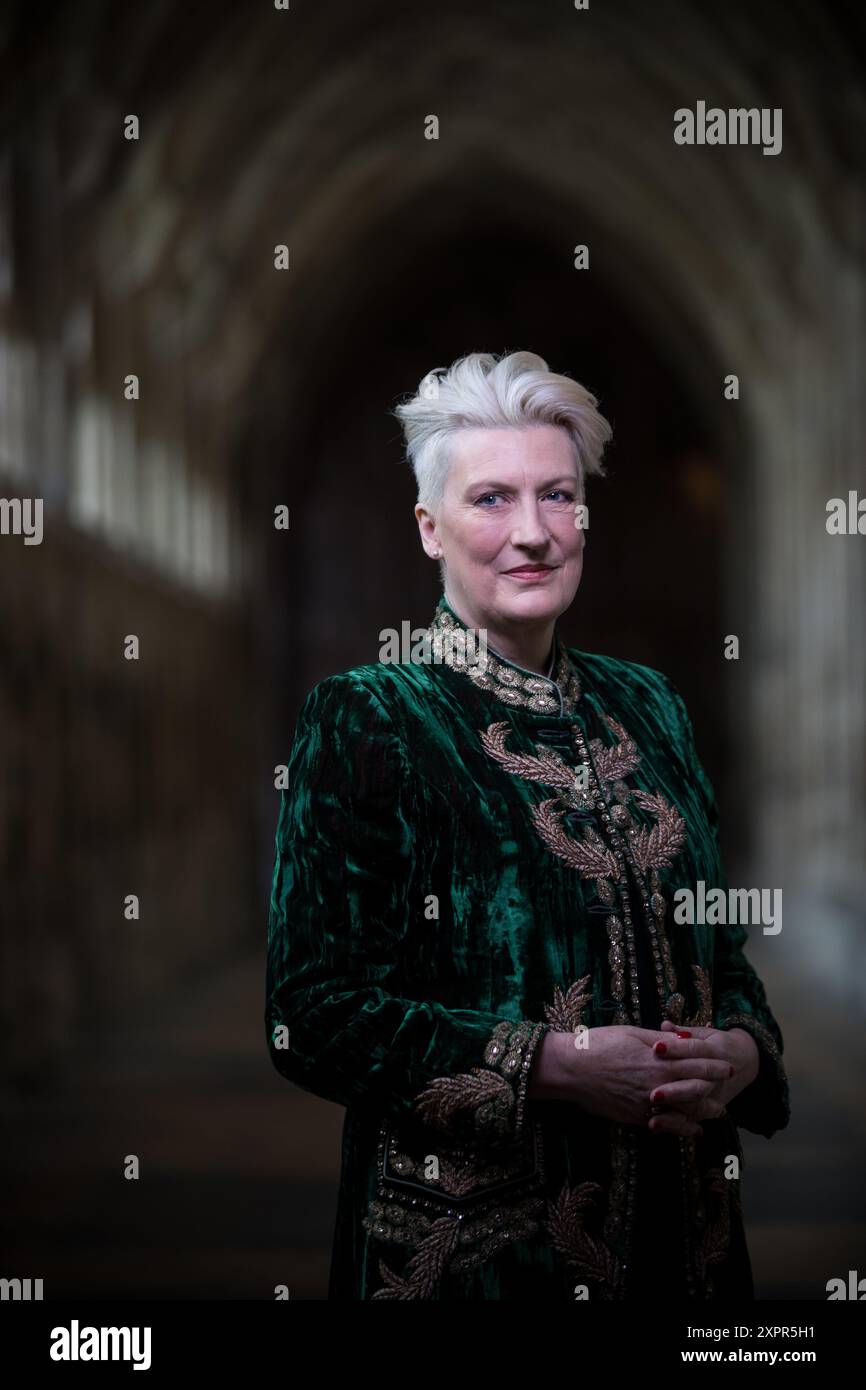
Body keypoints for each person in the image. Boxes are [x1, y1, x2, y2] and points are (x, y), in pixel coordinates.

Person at [265, 349, 790, 1301]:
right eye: (492, 500)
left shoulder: (653, 706)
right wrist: (556, 1064)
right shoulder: (370, 718)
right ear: (430, 528)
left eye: (558, 496)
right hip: (478, 1255)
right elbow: (311, 1014)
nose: (535, 534)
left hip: (690, 1245)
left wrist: (744, 1051)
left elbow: (724, 951)